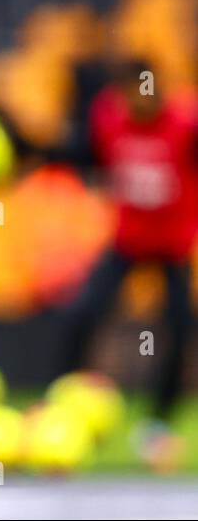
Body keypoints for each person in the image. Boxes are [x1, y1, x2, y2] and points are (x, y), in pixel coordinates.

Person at [54, 58, 196, 465]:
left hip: (173, 247)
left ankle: (158, 423)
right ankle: (62, 404)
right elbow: (83, 156)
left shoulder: (186, 125)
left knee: (182, 329)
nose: (137, 99)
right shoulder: (108, 119)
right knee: (81, 313)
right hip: (127, 240)